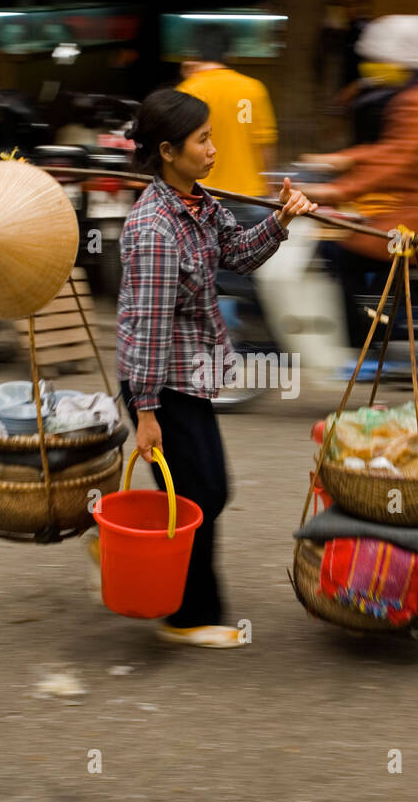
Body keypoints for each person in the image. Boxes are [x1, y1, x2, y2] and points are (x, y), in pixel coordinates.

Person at [117, 89, 316, 647]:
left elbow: (236, 254)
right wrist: (147, 412)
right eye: (202, 139)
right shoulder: (155, 228)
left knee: (209, 492)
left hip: (189, 375)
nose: (212, 148)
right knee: (197, 497)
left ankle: (163, 582)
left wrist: (280, 221)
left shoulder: (200, 204)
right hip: (158, 383)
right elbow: (151, 327)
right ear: (167, 150)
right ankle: (186, 616)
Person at [300, 15, 418, 348]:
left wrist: (337, 190)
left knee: (340, 252)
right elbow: (396, 150)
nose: (375, 68)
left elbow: (398, 162)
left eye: (381, 60)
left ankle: (364, 338)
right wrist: (346, 159)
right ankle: (382, 330)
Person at [175, 23, 277, 198]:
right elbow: (265, 145)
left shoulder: (186, 91)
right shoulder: (253, 89)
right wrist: (270, 186)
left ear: (197, 54)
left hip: (202, 196)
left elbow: (178, 148)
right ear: (230, 54)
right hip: (250, 197)